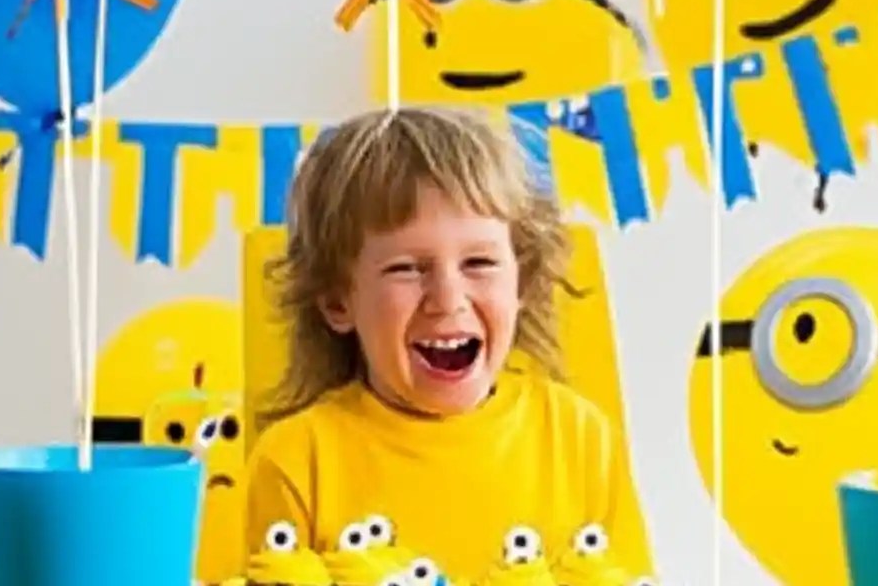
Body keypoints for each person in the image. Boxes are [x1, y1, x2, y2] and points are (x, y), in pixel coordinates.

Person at [244, 107, 654, 582]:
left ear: (521, 283)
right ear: (339, 301)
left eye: (479, 262)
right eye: (406, 268)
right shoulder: (296, 461)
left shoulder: (581, 439)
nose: (448, 300)